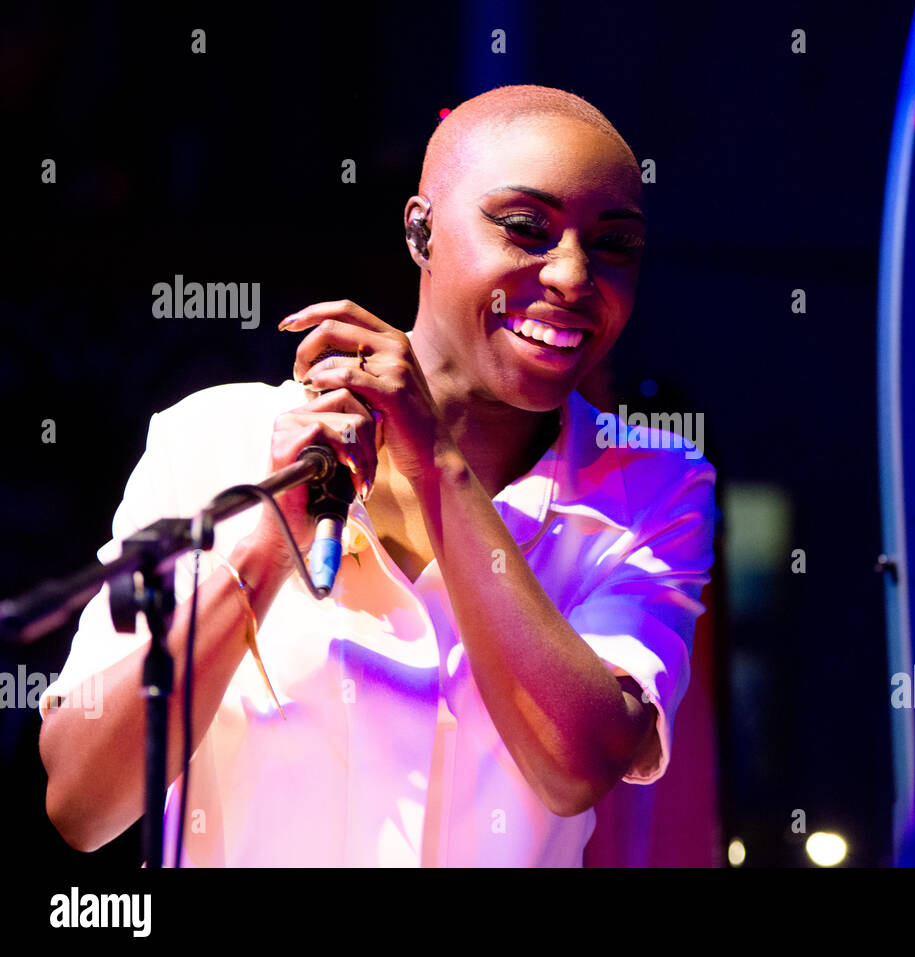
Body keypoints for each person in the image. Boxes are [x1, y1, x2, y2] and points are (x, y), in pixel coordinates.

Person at [37, 84, 717, 866]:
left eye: (615, 245)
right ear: (421, 233)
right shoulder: (217, 438)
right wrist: (264, 547)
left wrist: (437, 461)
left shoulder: (656, 483)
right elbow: (81, 802)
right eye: (526, 228)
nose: (572, 274)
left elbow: (576, 767)